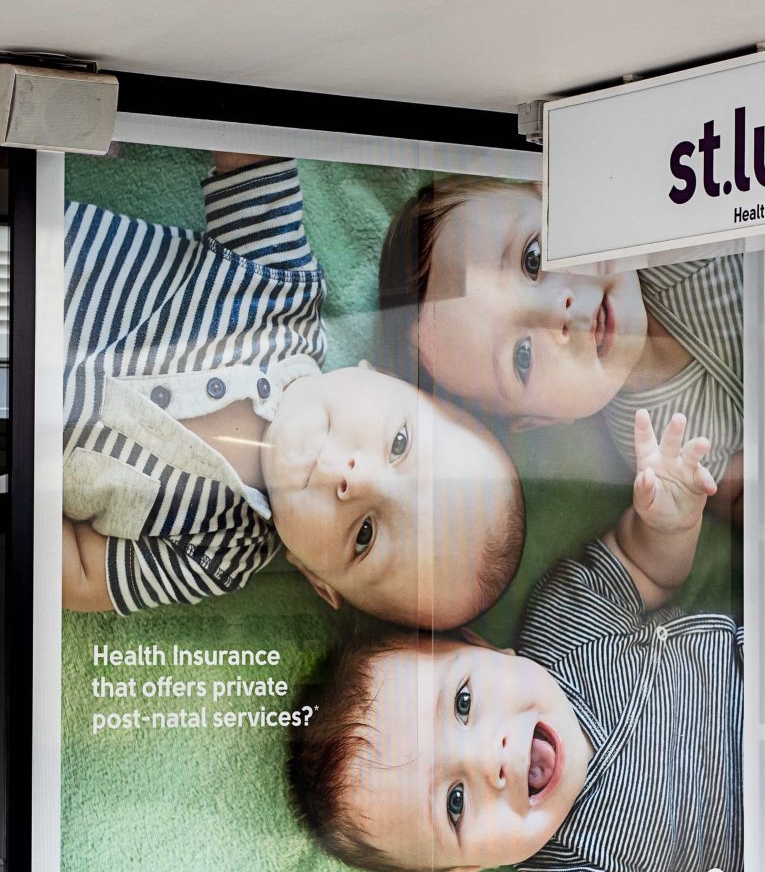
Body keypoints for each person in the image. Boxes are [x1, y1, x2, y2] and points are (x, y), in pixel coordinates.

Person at [289, 410, 745, 872]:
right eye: (455, 804)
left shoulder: (565, 626)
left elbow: (643, 566)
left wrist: (666, 521)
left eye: (464, 701)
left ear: (485, 648)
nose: (489, 758)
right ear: (461, 870)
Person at [62, 154, 524, 626]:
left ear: (318, 579)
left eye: (364, 535)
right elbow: (248, 148)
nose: (357, 481)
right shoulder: (280, 287)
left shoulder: (221, 555)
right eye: (399, 444)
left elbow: (80, 571)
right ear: (384, 377)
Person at [378, 175, 744, 521]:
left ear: (550, 191)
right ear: (544, 419)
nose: (557, 316)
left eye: (532, 259)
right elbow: (744, 495)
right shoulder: (652, 451)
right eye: (523, 357)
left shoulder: (679, 229)